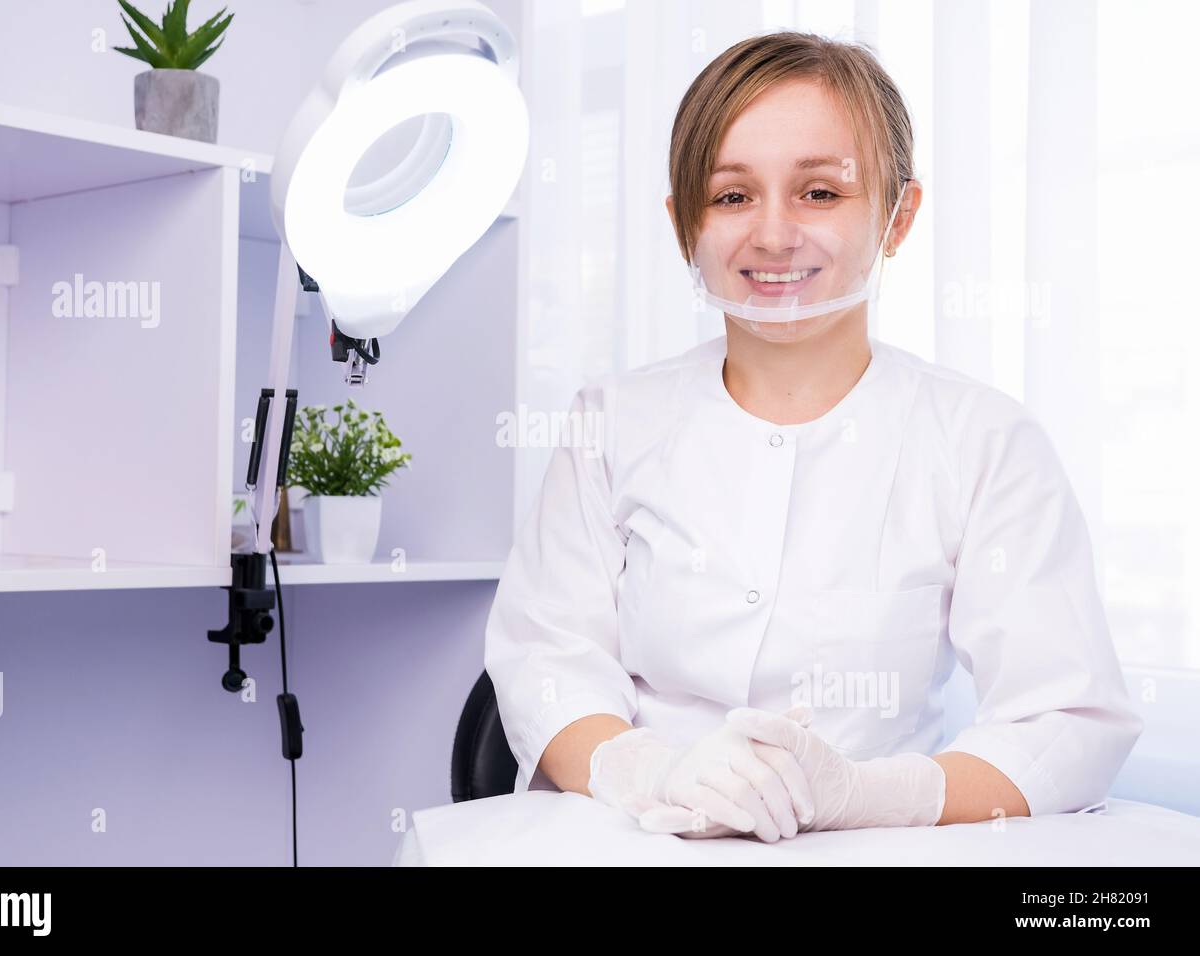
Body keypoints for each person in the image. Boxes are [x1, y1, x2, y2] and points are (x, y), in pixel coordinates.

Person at [484, 31, 1142, 843]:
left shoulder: (982, 439)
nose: (772, 233)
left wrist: (864, 795)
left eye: (821, 193)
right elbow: (542, 662)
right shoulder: (609, 425)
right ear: (683, 224)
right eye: (731, 197)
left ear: (899, 216)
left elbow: (1067, 721)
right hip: (631, 841)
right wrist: (653, 772)